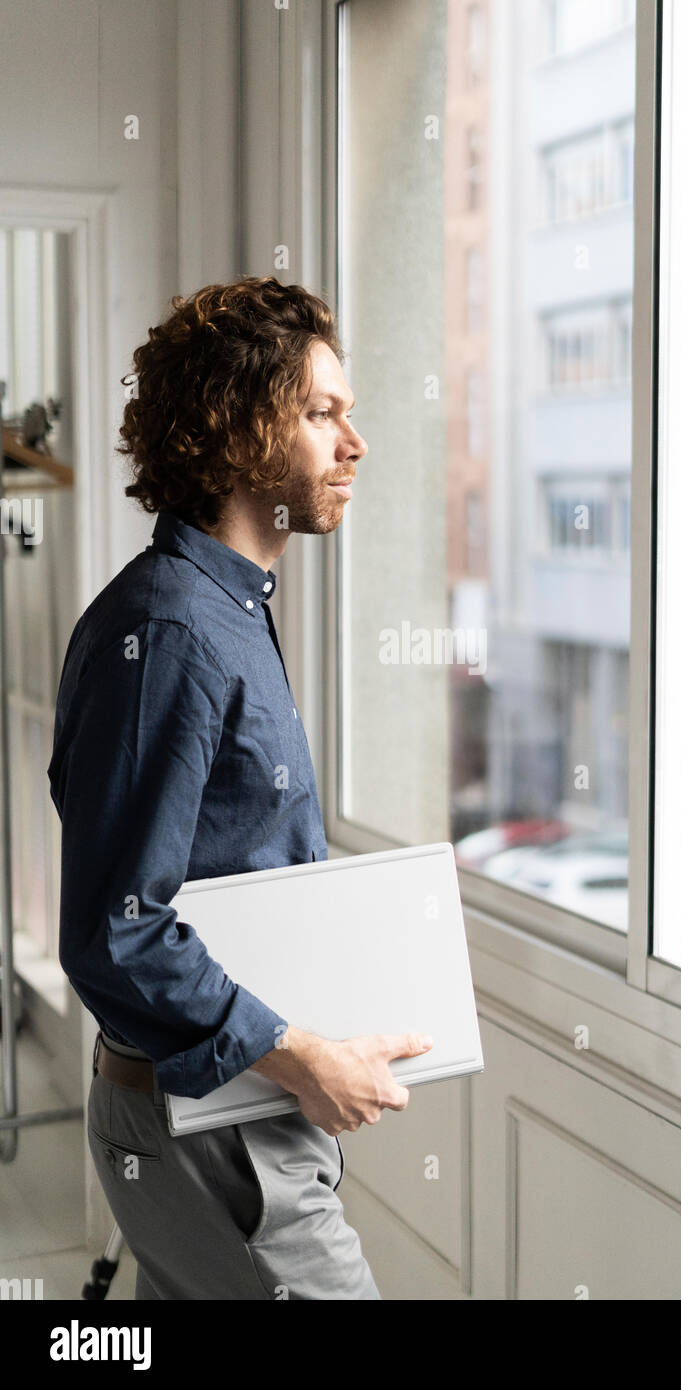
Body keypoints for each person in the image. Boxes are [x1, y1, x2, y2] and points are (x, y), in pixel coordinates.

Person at [47, 276, 433, 1300]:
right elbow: (114, 926)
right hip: (203, 1119)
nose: (354, 443)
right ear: (237, 429)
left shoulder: (222, 609)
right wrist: (303, 1056)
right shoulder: (170, 629)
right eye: (320, 414)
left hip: (231, 1113)